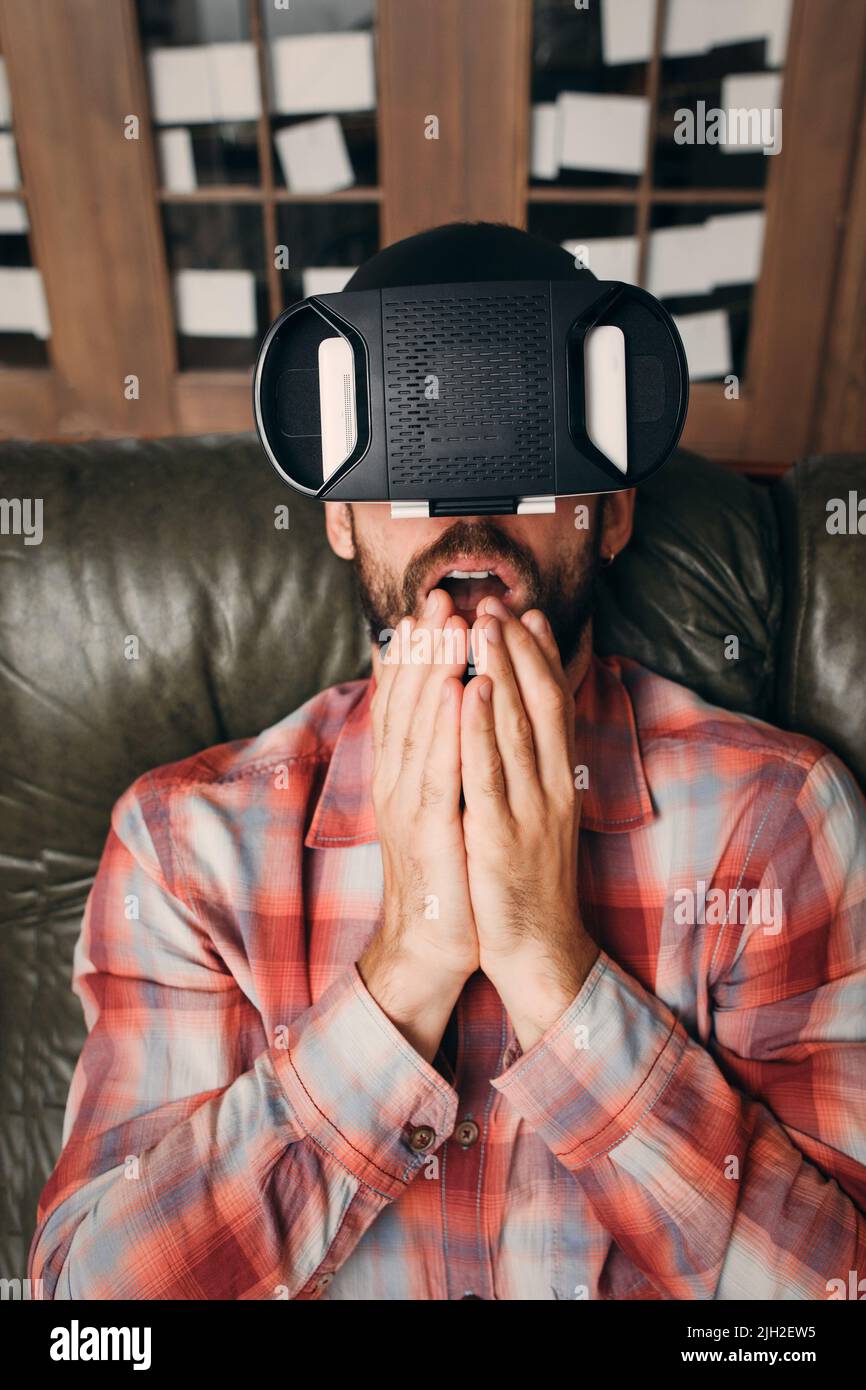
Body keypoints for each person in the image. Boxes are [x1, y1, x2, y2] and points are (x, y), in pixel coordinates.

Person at [30, 223, 866, 1300]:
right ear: (340, 521)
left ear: (611, 512)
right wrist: (407, 970)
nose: (466, 516)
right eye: (413, 462)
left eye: (522, 464)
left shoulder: (775, 822)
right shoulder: (187, 846)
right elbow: (87, 1319)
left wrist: (551, 970)